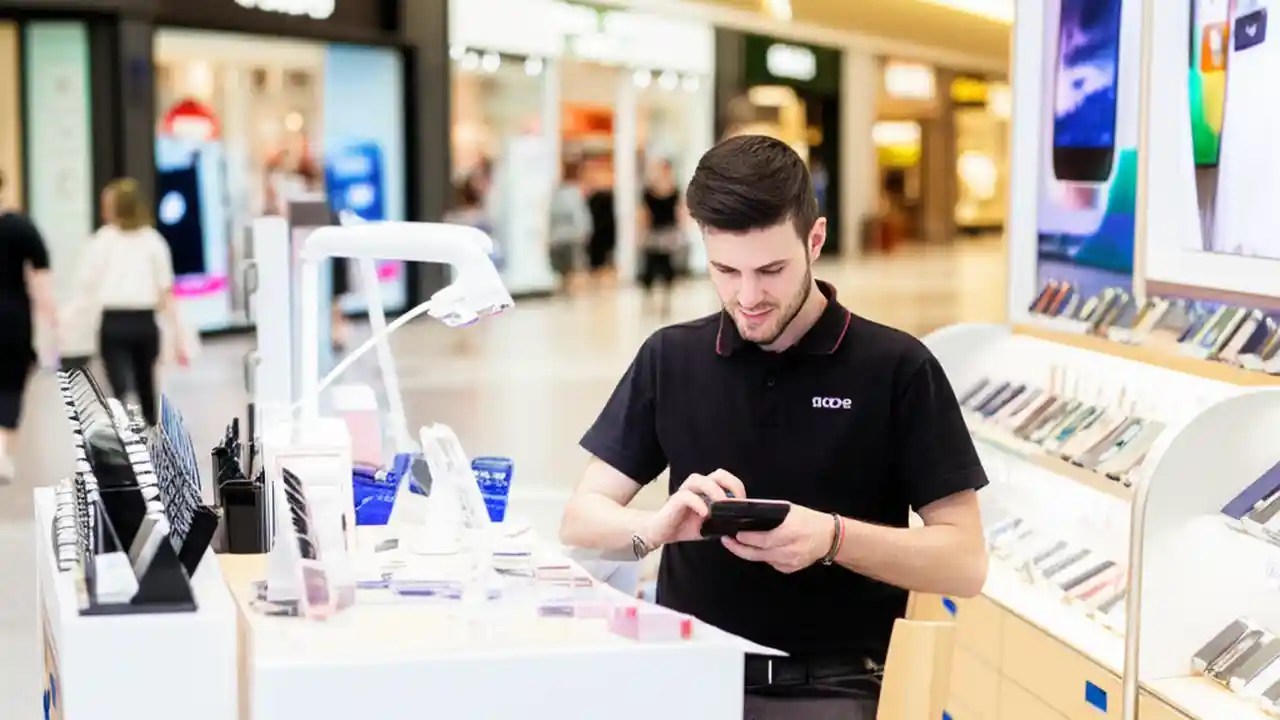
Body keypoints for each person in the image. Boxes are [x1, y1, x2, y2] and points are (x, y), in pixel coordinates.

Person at [559, 135, 989, 719]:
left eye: (771, 270)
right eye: (725, 271)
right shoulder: (671, 357)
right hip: (688, 676)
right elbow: (582, 519)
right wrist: (657, 527)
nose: (748, 296)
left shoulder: (896, 368)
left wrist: (832, 538)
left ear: (816, 239)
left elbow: (964, 562)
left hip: (833, 690)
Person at [75, 178, 188, 427]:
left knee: (118, 387)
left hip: (113, 322)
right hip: (144, 321)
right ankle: (150, 435)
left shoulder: (102, 241)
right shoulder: (153, 241)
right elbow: (166, 291)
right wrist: (179, 335)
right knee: (146, 382)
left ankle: (124, 434)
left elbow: (87, 286)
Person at [0, 171, 57, 480]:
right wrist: (51, 317)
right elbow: (42, 274)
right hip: (12, 316)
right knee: (11, 382)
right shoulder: (20, 227)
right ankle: (2, 448)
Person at [638, 159, 684, 317]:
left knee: (667, 268)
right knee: (650, 267)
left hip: (668, 233)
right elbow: (644, 215)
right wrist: (641, 233)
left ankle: (665, 302)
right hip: (653, 233)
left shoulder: (675, 191)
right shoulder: (648, 192)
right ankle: (648, 300)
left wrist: (681, 231)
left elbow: (679, 212)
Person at [548, 159, 592, 296]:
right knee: (574, 268)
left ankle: (566, 293)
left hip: (557, 238)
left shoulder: (557, 193)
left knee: (562, 269)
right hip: (572, 237)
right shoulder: (574, 193)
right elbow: (580, 216)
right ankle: (572, 295)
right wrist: (585, 232)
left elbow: (551, 216)